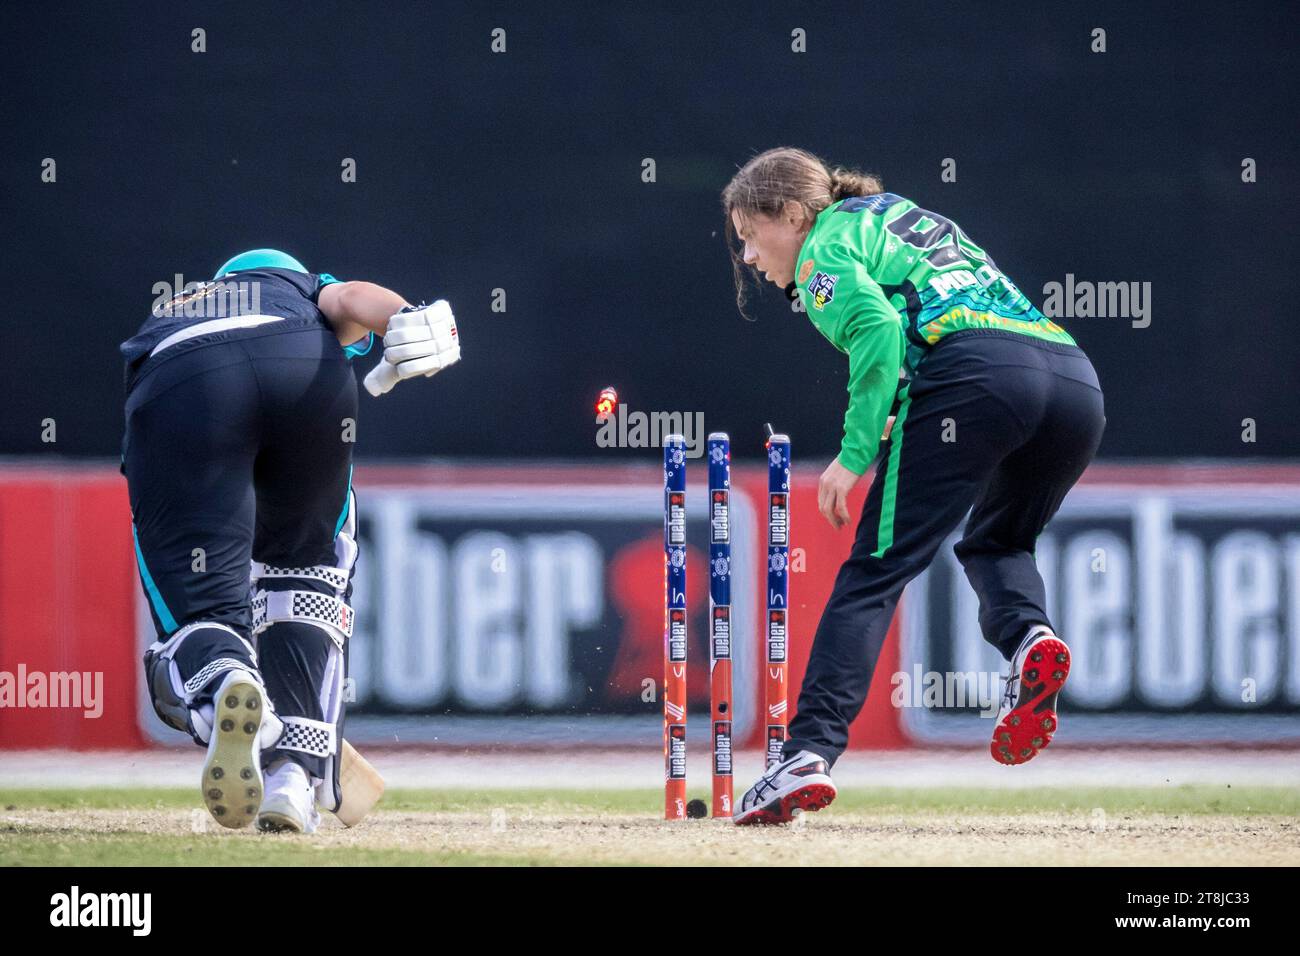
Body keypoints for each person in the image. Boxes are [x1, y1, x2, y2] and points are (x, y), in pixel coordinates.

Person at [722, 149, 1105, 825]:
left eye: (752, 235)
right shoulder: (896, 214)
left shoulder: (823, 251)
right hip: (1072, 382)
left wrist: (854, 453)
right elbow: (925, 309)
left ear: (792, 214)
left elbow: (873, 329)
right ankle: (1029, 642)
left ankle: (806, 755)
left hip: (978, 375)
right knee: (997, 544)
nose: (750, 257)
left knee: (874, 570)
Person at [121, 248, 460, 832]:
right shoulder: (296, 289)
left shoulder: (176, 308)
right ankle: (294, 777)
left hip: (183, 382)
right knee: (307, 577)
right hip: (304, 374)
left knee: (200, 621)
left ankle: (227, 675)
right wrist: (408, 314)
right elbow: (351, 297)